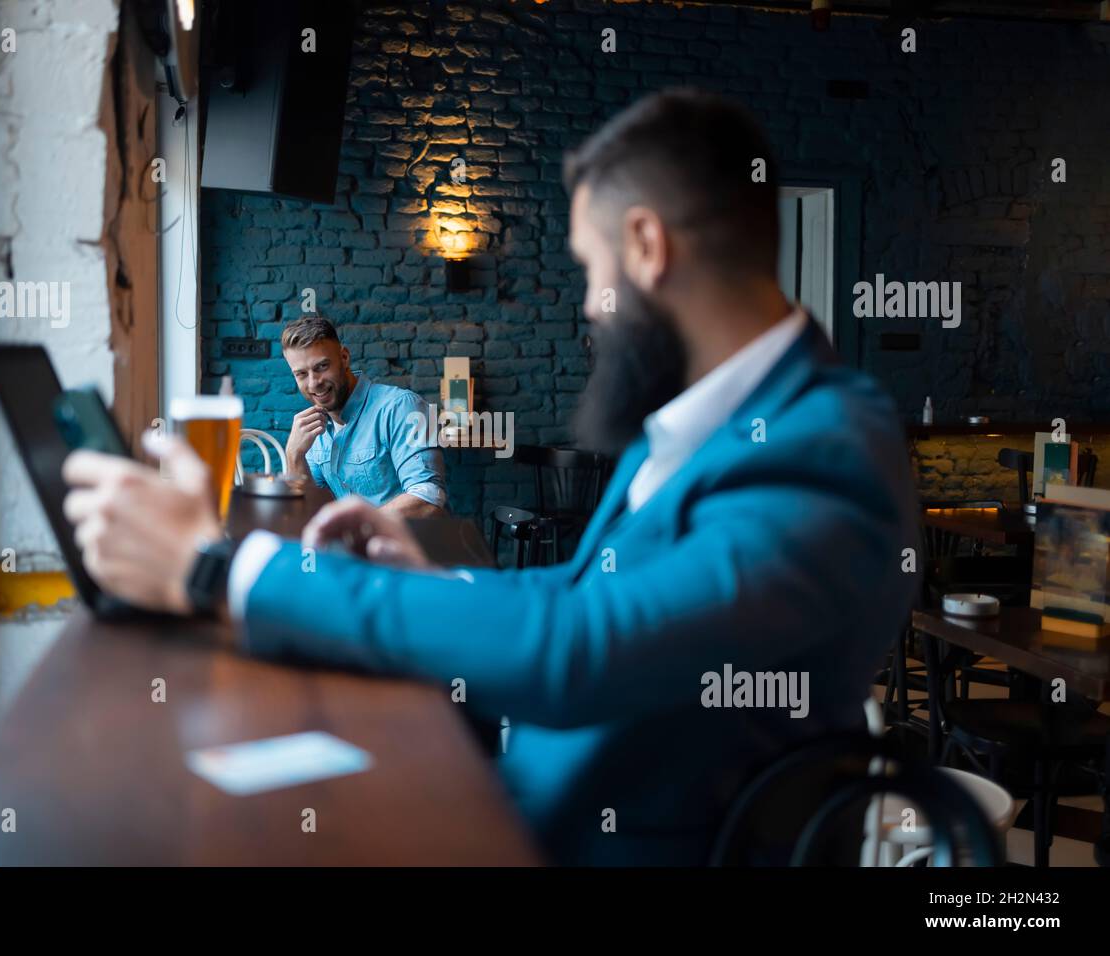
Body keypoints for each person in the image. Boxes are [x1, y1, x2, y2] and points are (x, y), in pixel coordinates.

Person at [62, 88, 919, 865]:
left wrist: (217, 570)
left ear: (648, 247)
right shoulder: (712, 420)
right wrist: (426, 573)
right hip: (536, 791)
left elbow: (586, 645)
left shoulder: (827, 447)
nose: (589, 305)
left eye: (590, 270)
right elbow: (582, 596)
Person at [280, 316, 446, 517]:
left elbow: (428, 497)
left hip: (409, 544)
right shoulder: (315, 428)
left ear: (344, 357)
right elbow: (309, 509)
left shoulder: (401, 406)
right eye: (301, 374)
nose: (314, 383)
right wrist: (294, 455)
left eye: (322, 366)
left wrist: (356, 527)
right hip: (349, 546)